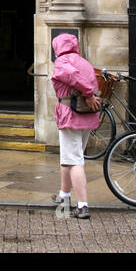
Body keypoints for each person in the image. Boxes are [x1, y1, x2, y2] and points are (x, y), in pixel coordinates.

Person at [50, 32, 100, 219]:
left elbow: (73, 77)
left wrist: (87, 93)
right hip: (86, 115)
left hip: (70, 114)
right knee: (69, 157)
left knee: (75, 161)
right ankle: (64, 194)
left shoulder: (63, 63)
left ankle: (83, 205)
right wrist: (89, 94)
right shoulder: (84, 62)